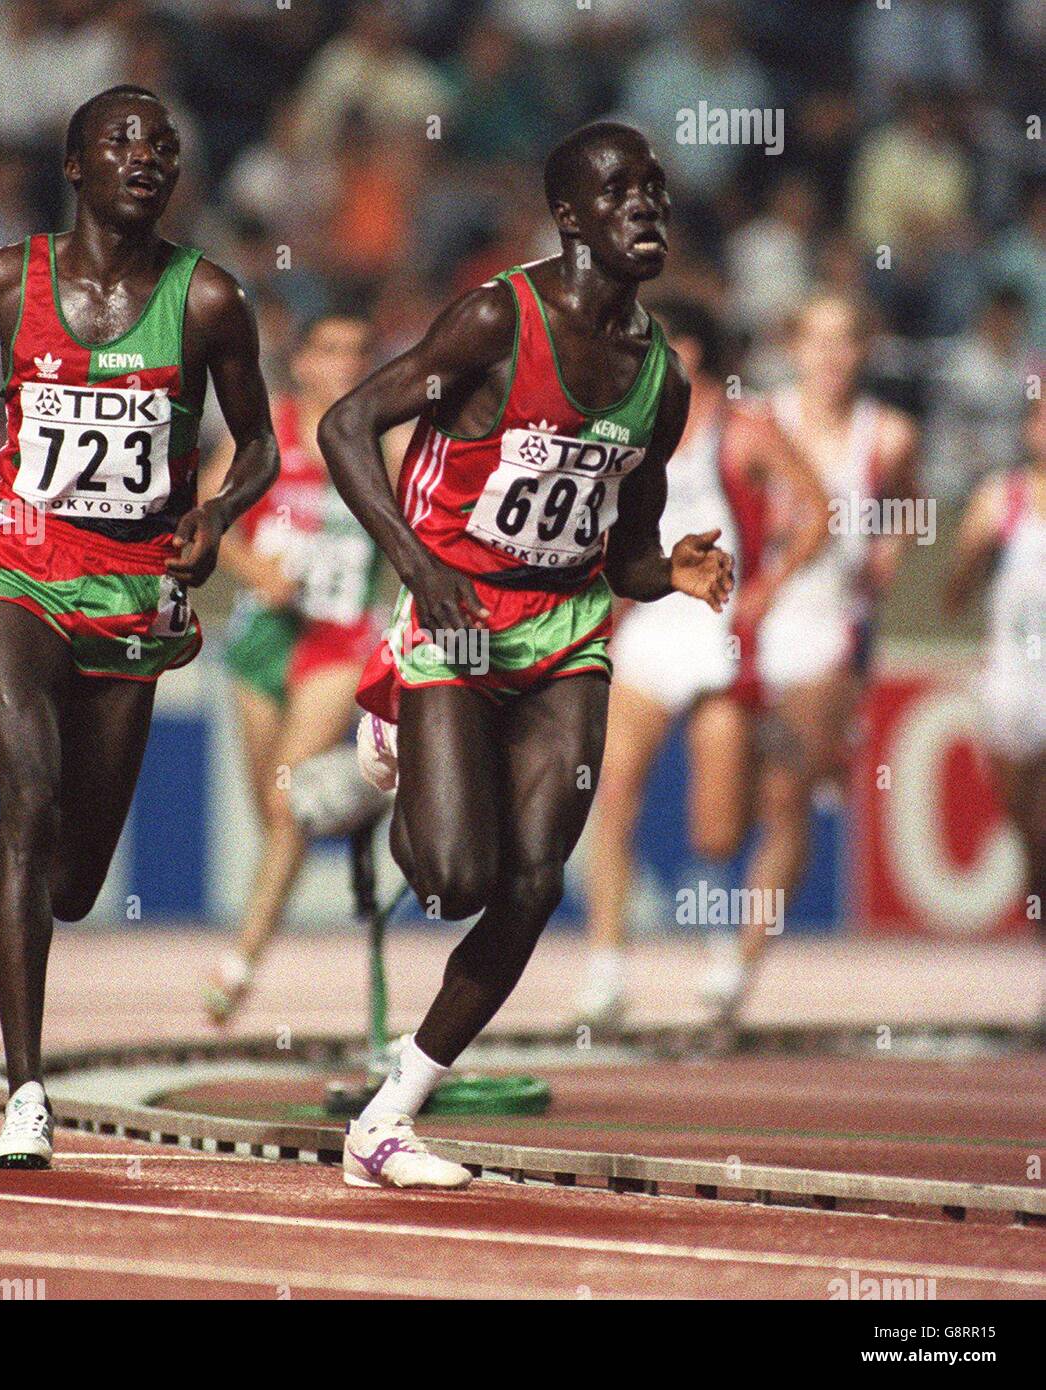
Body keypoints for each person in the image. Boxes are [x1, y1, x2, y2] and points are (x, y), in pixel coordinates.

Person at [0, 86, 279, 1169]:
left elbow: (261, 445)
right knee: (28, 800)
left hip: (135, 588)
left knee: (77, 878)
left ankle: (42, 920)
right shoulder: (5, 278)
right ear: (75, 163)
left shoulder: (209, 299)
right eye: (122, 141)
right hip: (23, 562)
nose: (146, 157)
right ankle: (27, 1091)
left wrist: (215, 514)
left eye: (163, 145)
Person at [320, 121, 734, 1190]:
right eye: (620, 189)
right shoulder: (496, 319)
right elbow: (346, 424)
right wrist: (417, 569)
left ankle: (388, 1117)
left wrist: (672, 571)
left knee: (536, 878)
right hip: (456, 609)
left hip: (564, 629)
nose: (647, 205)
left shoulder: (662, 382)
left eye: (656, 188)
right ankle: (395, 729)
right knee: (452, 877)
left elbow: (625, 552)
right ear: (569, 216)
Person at [575, 295, 828, 1031]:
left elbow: (816, 510)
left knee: (717, 828)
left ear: (688, 350)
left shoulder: (743, 428)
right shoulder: (625, 430)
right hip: (651, 630)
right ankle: (606, 966)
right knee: (613, 795)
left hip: (719, 634)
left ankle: (721, 950)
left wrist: (770, 587)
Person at [735, 292, 918, 1014]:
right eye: (817, 339)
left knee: (785, 795)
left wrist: (891, 548)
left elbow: (909, 506)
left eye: (845, 340)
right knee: (740, 801)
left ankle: (741, 962)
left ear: (862, 351)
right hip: (751, 621)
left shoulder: (888, 435)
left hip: (829, 624)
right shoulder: (759, 422)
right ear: (795, 348)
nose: (831, 355)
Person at [202, 313, 382, 1026]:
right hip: (262, 638)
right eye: (330, 349)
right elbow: (206, 516)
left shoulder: (381, 439)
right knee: (275, 810)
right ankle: (355, 798)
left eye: (358, 351)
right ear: (302, 361)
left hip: (338, 643)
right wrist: (257, 572)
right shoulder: (264, 432)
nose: (345, 363)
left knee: (285, 804)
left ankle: (241, 960)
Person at [945, 395, 1045, 931]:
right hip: (1014, 683)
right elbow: (954, 599)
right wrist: (973, 552)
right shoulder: (1000, 498)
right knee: (1027, 823)